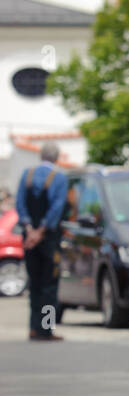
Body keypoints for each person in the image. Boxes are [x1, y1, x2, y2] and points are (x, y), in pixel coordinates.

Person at [15, 142, 68, 341]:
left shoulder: (27, 174)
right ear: (57, 157)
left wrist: (30, 230)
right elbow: (57, 207)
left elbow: (20, 204)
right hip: (48, 238)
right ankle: (46, 329)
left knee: (34, 283)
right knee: (49, 285)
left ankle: (33, 327)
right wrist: (41, 231)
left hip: (28, 238)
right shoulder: (59, 177)